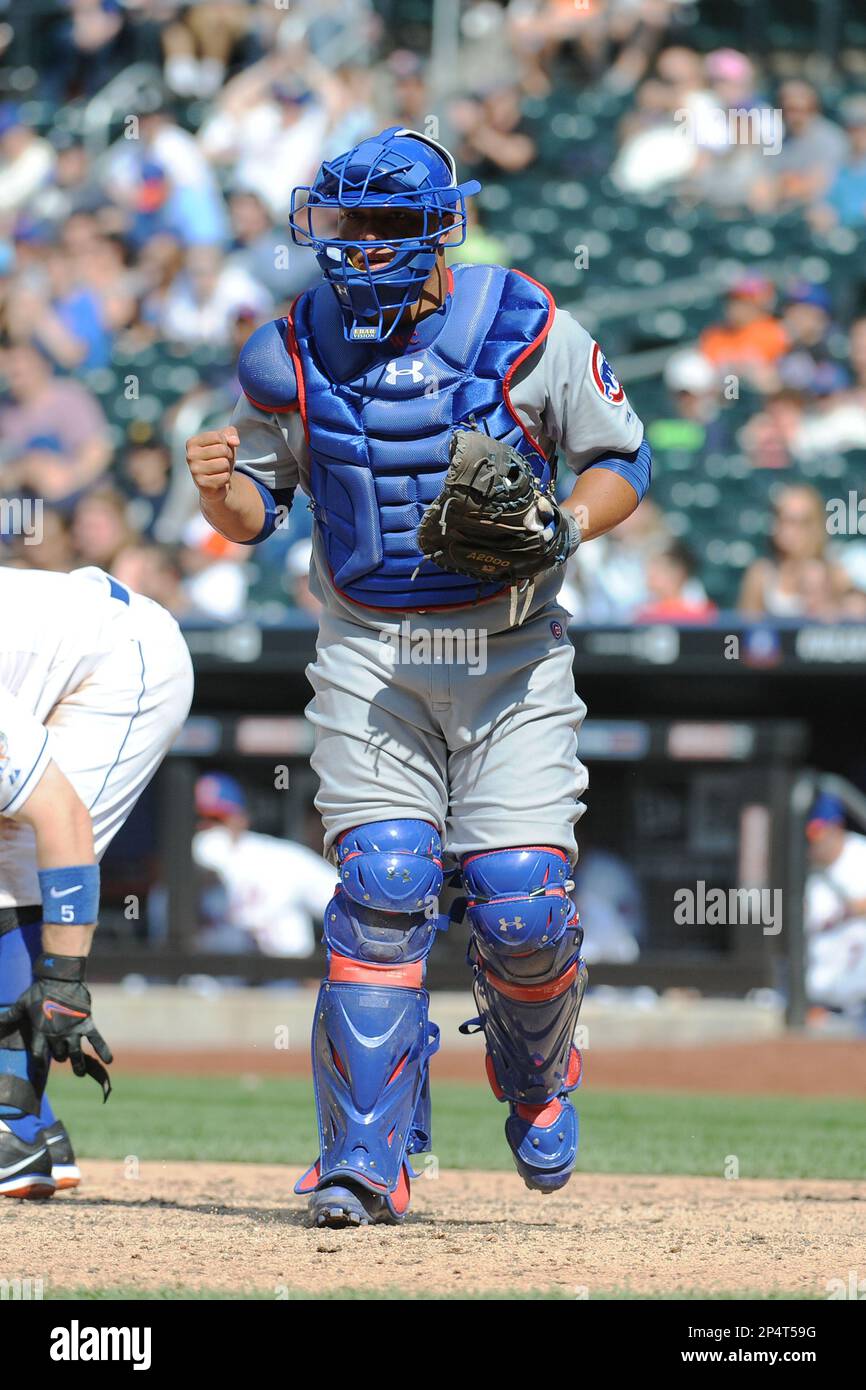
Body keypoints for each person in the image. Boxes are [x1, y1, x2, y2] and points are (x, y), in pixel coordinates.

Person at [186, 126, 652, 1226]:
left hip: (510, 651)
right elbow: (261, 512)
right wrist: (216, 493)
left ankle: (535, 1072)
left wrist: (561, 528)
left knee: (521, 903)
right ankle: (362, 1158)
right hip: (369, 651)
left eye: (381, 224)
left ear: (438, 227)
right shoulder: (289, 347)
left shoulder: (521, 322)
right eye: (341, 222)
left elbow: (622, 458)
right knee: (387, 881)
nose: (353, 245)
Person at [0, 567, 193, 1197]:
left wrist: (62, 977)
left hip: (126, 660)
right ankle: (42, 1132)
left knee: (17, 852)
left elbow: (63, 820)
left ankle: (11, 1127)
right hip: (71, 649)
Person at [192, 773, 335, 956]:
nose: (206, 827)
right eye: (199, 819)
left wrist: (321, 971)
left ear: (240, 818)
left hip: (281, 979)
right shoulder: (175, 868)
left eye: (217, 819)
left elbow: (346, 904)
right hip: (209, 981)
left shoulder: (282, 858)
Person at [738, 484, 853, 618]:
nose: (788, 530)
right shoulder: (760, 574)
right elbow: (745, 628)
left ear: (815, 525)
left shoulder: (835, 574)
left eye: (798, 521)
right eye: (782, 518)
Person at [804, 794, 866, 1018]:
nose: (816, 842)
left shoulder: (860, 854)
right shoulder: (807, 864)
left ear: (836, 828)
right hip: (818, 984)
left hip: (857, 993)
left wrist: (850, 910)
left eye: (820, 834)